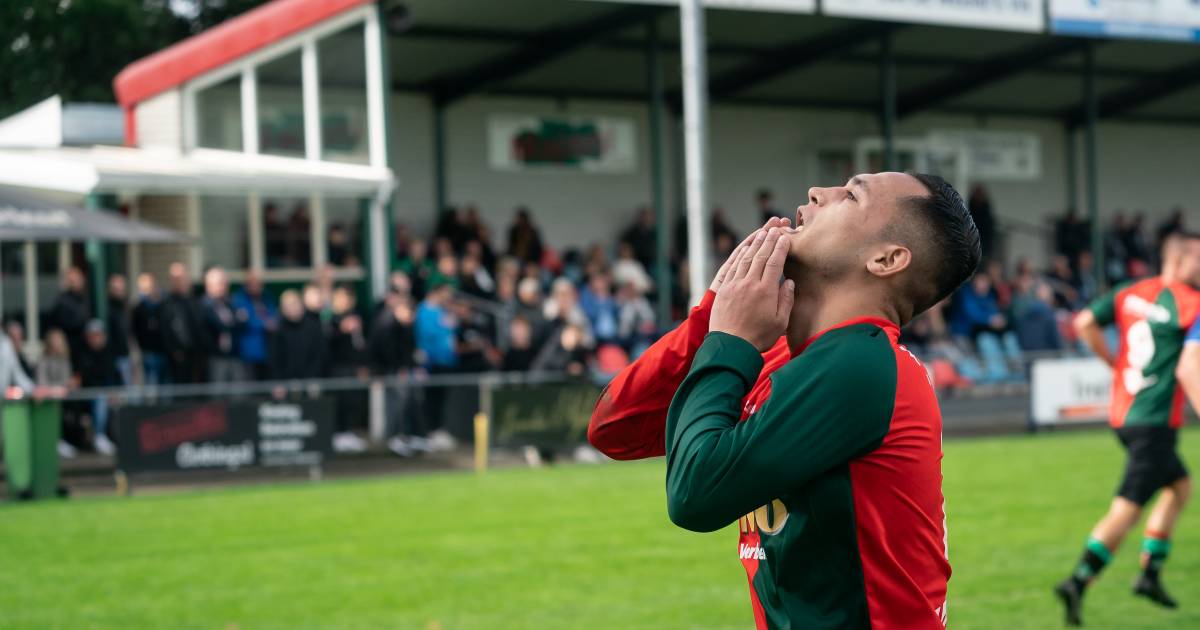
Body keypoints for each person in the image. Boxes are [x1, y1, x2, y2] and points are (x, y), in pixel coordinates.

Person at [590, 171, 981, 629]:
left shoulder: (861, 364)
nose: (818, 191)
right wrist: (716, 312)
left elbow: (694, 494)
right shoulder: (783, 354)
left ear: (886, 258)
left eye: (852, 195)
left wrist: (729, 338)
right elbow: (615, 427)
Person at [1054, 232, 1200, 626]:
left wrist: (1115, 364)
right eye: (1199, 258)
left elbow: (1084, 322)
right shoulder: (1191, 304)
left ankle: (1151, 573)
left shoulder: (1130, 292)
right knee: (1127, 508)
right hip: (1154, 422)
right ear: (1180, 259)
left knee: (1179, 485)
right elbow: (1190, 366)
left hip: (1124, 415)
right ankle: (1078, 580)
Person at [415, 281, 459, 452]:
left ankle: (438, 430)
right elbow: (428, 337)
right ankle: (430, 432)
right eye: (446, 293)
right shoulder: (424, 311)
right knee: (430, 399)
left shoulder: (444, 311)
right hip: (431, 364)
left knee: (441, 398)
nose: (448, 297)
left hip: (446, 362)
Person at [76, 319, 119, 455]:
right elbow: (88, 378)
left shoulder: (109, 352)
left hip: (109, 392)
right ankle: (99, 436)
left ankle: (119, 438)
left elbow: (114, 375)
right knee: (100, 399)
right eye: (93, 335)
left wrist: (114, 392)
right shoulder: (82, 353)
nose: (96, 339)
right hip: (89, 395)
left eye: (99, 335)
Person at [160, 263, 206, 384]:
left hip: (197, 355)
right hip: (177, 356)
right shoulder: (167, 304)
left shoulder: (194, 301)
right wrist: (174, 349)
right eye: (176, 279)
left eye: (182, 278)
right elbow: (165, 330)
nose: (179, 282)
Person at [269, 290, 327, 384]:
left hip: (312, 381)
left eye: (294, 303)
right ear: (282, 309)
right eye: (287, 306)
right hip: (286, 383)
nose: (292, 308)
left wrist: (313, 378)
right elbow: (275, 359)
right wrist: (279, 382)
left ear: (301, 304)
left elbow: (320, 355)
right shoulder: (278, 330)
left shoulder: (314, 327)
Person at [232, 269, 277, 380]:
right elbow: (244, 320)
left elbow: (273, 315)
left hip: (267, 350)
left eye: (259, 283)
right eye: (253, 283)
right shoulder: (239, 299)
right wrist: (263, 324)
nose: (257, 286)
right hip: (248, 353)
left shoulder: (266, 297)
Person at [199, 266, 241, 383]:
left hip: (233, 355)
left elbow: (239, 323)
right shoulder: (203, 305)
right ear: (208, 285)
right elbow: (215, 326)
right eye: (219, 283)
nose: (223, 287)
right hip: (214, 357)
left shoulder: (230, 303)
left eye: (224, 283)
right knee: (218, 394)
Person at [50, 266, 90, 367]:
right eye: (72, 280)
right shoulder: (63, 300)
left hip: (85, 348)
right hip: (70, 347)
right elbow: (62, 322)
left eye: (77, 279)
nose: (75, 282)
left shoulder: (86, 298)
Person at [131, 273, 166, 386]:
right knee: (150, 382)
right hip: (147, 351)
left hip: (162, 350)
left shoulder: (162, 305)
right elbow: (134, 330)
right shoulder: (138, 308)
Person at [106, 275, 132, 386]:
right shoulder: (106, 308)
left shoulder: (126, 308)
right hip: (111, 356)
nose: (119, 292)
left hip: (125, 355)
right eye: (116, 289)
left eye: (121, 289)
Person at [968, 184, 996, 262]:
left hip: (984, 239)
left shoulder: (986, 208)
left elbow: (989, 226)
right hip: (975, 238)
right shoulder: (971, 207)